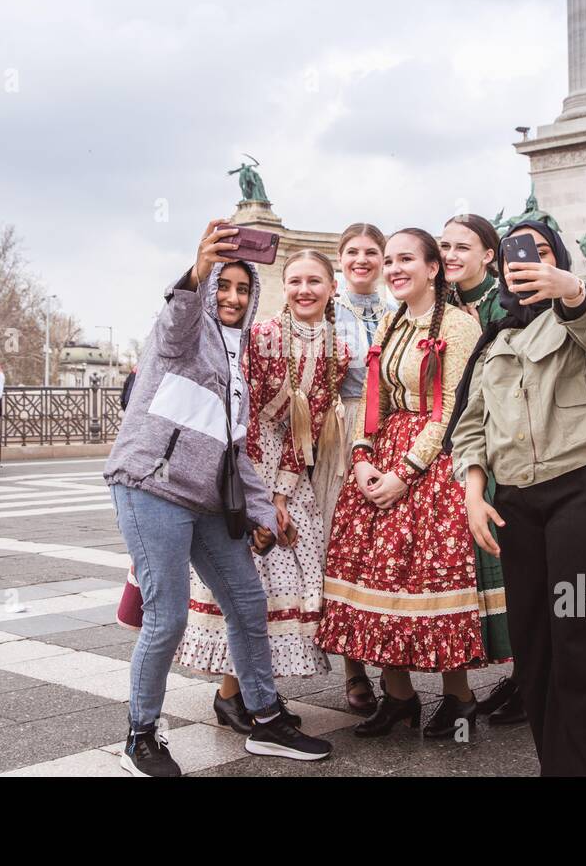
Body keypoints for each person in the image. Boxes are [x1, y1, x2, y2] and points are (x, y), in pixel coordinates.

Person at [104, 220, 333, 776]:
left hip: (206, 499)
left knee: (248, 601)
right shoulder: (182, 333)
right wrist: (198, 269)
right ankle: (141, 735)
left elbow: (236, 453)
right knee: (167, 617)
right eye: (223, 287)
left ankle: (264, 718)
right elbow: (179, 315)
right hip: (151, 487)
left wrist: (265, 514)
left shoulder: (236, 362)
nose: (232, 297)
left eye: (242, 289)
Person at [447, 217, 586, 775]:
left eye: (540, 252)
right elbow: (470, 427)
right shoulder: (495, 340)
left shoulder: (584, 314)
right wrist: (474, 492)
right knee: (534, 652)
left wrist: (570, 291)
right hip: (517, 506)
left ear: (556, 259)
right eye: (514, 255)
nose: (526, 263)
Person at [314, 227, 488, 739]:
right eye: (389, 260)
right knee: (371, 577)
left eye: (405, 259)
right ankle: (399, 696)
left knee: (424, 576)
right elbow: (376, 398)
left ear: (433, 268)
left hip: (430, 461)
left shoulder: (458, 326)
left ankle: (459, 698)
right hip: (381, 452)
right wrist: (364, 455)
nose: (393, 269)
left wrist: (406, 471)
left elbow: (452, 405)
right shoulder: (389, 322)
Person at [176, 249, 349, 730]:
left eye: (315, 281)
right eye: (294, 281)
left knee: (281, 585)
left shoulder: (338, 346)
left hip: (291, 474)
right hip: (247, 466)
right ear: (283, 287)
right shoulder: (261, 337)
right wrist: (261, 500)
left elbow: (308, 427)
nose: (304, 290)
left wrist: (284, 493)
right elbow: (243, 418)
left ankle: (252, 693)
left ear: (331, 287)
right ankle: (234, 694)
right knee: (250, 583)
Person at [312, 223, 395, 714]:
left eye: (371, 252)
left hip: (389, 432)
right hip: (337, 433)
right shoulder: (323, 309)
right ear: (339, 260)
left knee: (383, 549)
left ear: (383, 260)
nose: (361, 260)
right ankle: (353, 667)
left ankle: (392, 662)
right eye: (352, 252)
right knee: (339, 545)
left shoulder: (398, 310)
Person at [440, 213, 518, 721]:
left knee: (513, 565)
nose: (450, 255)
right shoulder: (439, 304)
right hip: (461, 447)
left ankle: (528, 678)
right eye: (444, 246)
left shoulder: (505, 301)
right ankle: (517, 674)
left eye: (462, 247)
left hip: (507, 445)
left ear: (489, 255)